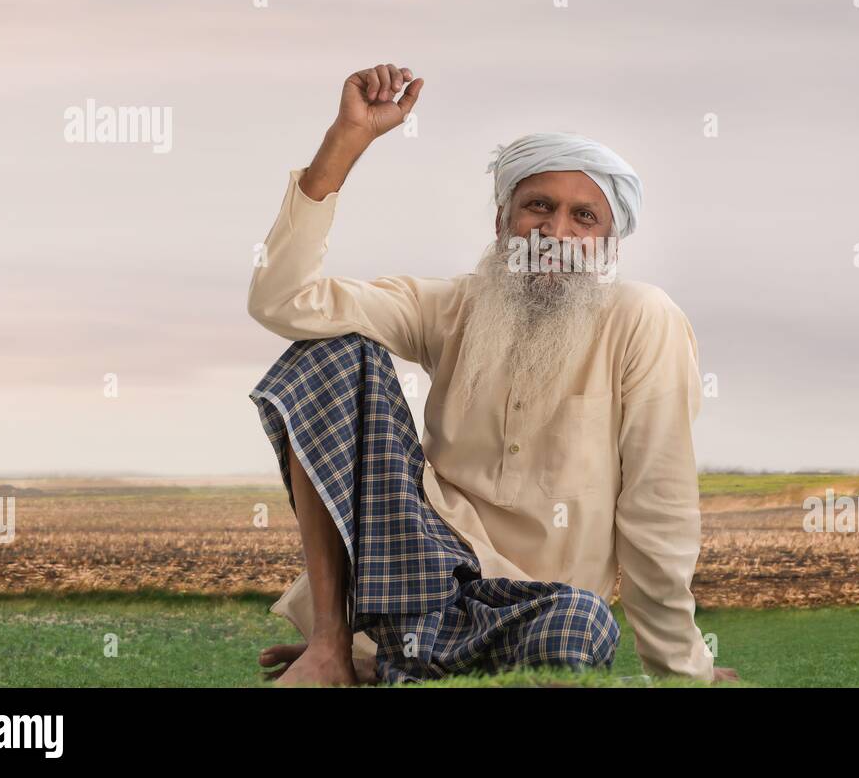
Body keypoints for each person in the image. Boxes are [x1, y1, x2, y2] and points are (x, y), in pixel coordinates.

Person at [248, 63, 738, 686]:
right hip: (414, 584)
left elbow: (658, 508)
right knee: (329, 350)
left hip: (537, 610)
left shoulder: (643, 319)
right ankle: (332, 646)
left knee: (582, 626)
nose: (556, 232)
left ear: (610, 245)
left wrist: (681, 675)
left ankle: (388, 669)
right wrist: (346, 142)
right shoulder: (447, 307)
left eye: (584, 218)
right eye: (538, 207)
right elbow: (282, 302)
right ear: (502, 222)